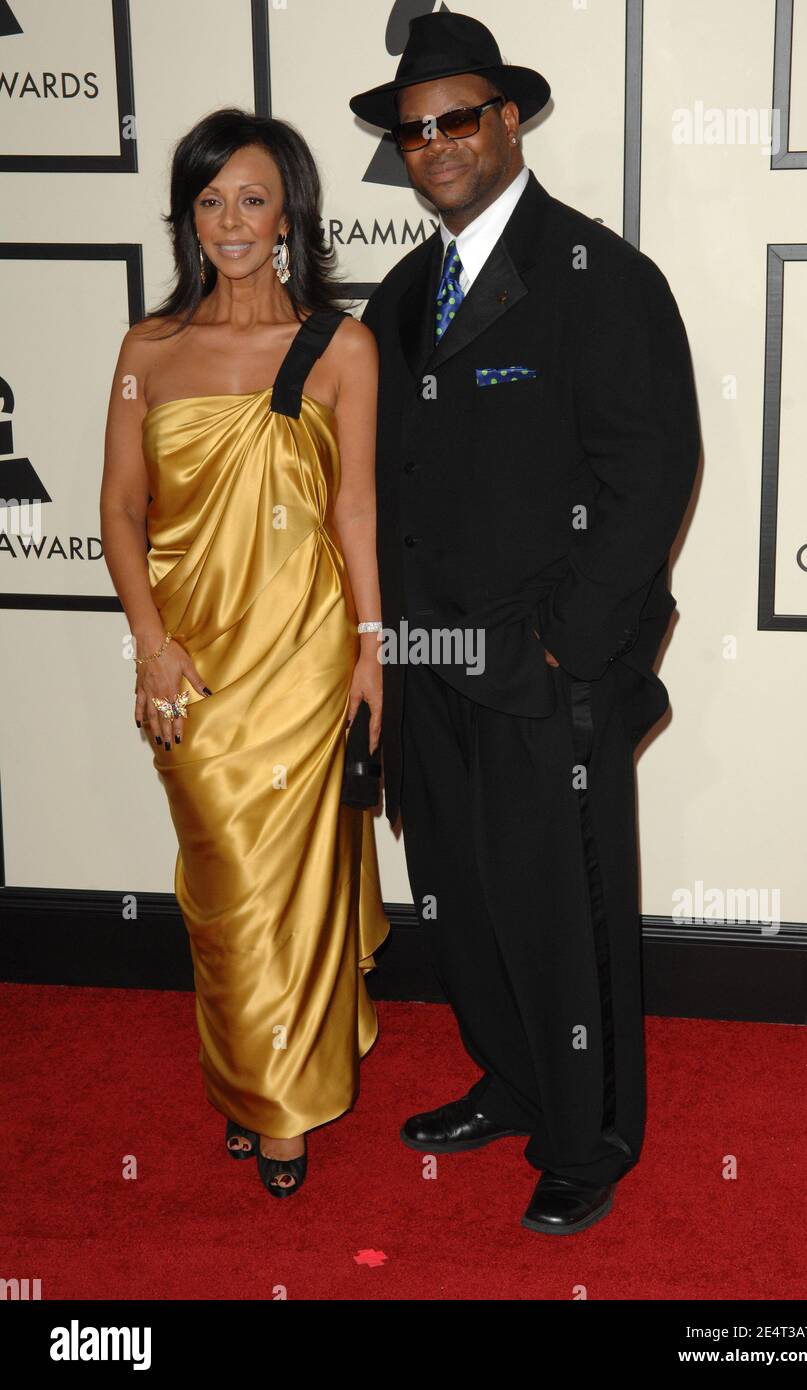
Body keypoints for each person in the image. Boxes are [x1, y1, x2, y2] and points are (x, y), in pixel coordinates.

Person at [352, 13, 700, 1234]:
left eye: (456, 116)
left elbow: (649, 473)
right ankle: (510, 1077)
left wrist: (567, 647)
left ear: (509, 120)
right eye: (413, 129)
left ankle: (587, 1135)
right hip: (429, 668)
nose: (432, 143)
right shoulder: (400, 294)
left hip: (546, 673)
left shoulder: (598, 278)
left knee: (566, 912)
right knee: (461, 896)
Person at [100, 107, 389, 1198]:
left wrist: (370, 650)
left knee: (297, 889)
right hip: (193, 662)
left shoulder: (341, 347)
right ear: (187, 216)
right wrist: (150, 644)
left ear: (288, 215)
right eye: (209, 198)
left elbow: (354, 509)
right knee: (222, 884)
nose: (229, 220)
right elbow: (121, 509)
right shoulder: (148, 350)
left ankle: (278, 1111)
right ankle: (246, 1073)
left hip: (309, 656)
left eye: (251, 198)